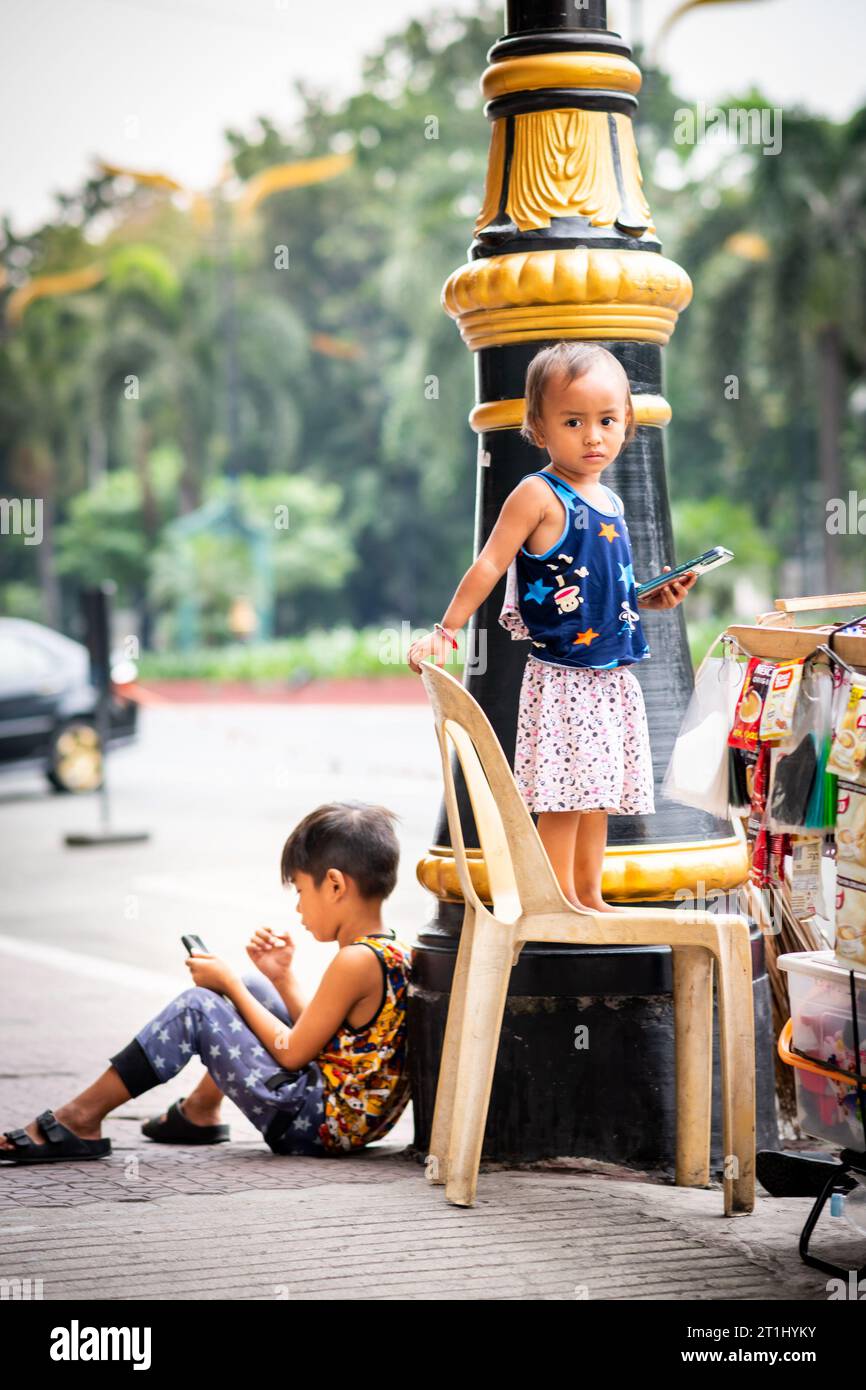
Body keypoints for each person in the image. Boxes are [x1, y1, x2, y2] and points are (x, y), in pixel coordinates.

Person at [408, 341, 698, 913]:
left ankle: (588, 895)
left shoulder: (611, 501)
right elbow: (490, 563)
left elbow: (609, 594)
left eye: (607, 421)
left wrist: (656, 599)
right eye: (574, 421)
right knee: (564, 797)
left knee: (600, 798)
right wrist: (447, 629)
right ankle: (553, 899)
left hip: (613, 678)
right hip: (565, 678)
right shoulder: (538, 494)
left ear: (626, 425)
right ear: (539, 428)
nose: (593, 436)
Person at [1, 802, 412, 1164]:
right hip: (343, 1118)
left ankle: (80, 1118)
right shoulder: (389, 952)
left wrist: (227, 985)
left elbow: (292, 1054)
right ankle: (199, 1112)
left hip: (315, 1127)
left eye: (302, 890)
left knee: (199, 1006)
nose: (298, 906)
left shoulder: (353, 961)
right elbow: (331, 1041)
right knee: (258, 986)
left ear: (336, 885)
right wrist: (282, 977)